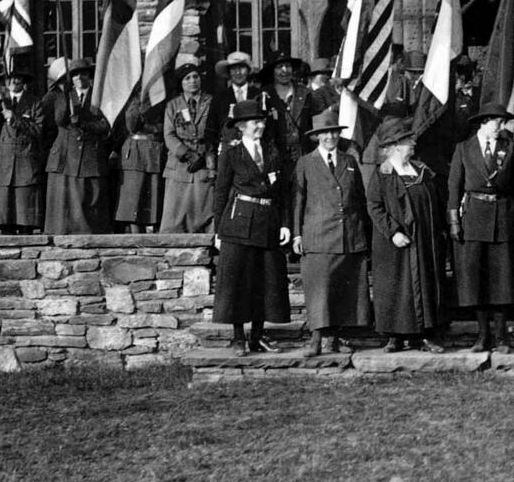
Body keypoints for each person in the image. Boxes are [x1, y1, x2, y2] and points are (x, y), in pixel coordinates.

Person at [211, 101, 291, 355]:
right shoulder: (231, 153)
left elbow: (283, 193)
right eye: (256, 122)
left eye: (262, 121)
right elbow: (221, 192)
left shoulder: (273, 151)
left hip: (268, 222)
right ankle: (238, 338)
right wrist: (218, 230)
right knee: (238, 282)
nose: (261, 126)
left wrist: (285, 224)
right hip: (238, 225)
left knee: (264, 282)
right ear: (242, 126)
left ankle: (257, 337)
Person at [291, 109, 373, 356]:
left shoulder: (349, 162)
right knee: (319, 288)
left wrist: (365, 233)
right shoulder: (306, 163)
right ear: (316, 137)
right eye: (325, 133)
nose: (330, 137)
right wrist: (297, 234)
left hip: (348, 234)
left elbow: (359, 199)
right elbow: (297, 201)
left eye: (334, 132)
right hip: (318, 235)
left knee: (342, 289)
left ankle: (335, 338)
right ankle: (316, 339)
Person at [446, 101, 514, 352]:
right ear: (484, 122)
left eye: (503, 122)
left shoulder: (511, 147)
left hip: (503, 215)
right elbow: (454, 186)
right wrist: (454, 220)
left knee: (502, 278)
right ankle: (482, 335)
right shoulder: (463, 148)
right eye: (497, 122)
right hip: (474, 217)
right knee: (476, 279)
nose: (501, 127)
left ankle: (500, 335)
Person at [365, 116, 445, 353]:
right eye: (408, 141)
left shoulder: (421, 170)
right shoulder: (382, 173)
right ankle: (395, 337)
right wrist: (393, 232)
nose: (413, 144)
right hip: (395, 242)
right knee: (396, 287)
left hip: (423, 239)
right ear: (395, 146)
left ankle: (425, 335)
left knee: (424, 285)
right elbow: (374, 206)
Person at [46, 60, 112, 233]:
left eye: (83, 73)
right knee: (65, 202)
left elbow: (106, 126)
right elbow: (50, 124)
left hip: (91, 155)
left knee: (91, 201)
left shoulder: (100, 97)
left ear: (90, 77)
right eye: (74, 75)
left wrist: (84, 124)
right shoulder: (61, 96)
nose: (79, 78)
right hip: (66, 156)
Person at [0, 63, 47, 233]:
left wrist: (16, 119)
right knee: (5, 217)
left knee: (25, 216)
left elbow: (38, 130)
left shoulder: (35, 102)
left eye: (18, 78)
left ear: (23, 81)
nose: (14, 82)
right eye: (10, 79)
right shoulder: (1, 102)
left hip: (25, 161)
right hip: (3, 162)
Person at [160, 59, 217, 232]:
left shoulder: (211, 102)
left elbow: (216, 131)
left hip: (205, 164)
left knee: (204, 211)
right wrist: (187, 153)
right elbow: (169, 135)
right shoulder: (173, 105)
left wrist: (205, 157)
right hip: (179, 165)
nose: (192, 81)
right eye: (187, 78)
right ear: (181, 83)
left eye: (195, 77)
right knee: (174, 217)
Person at [116, 95, 166, 232]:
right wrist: (138, 105)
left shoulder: (162, 96)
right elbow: (131, 126)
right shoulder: (129, 99)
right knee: (133, 205)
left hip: (155, 152)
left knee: (155, 204)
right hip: (134, 153)